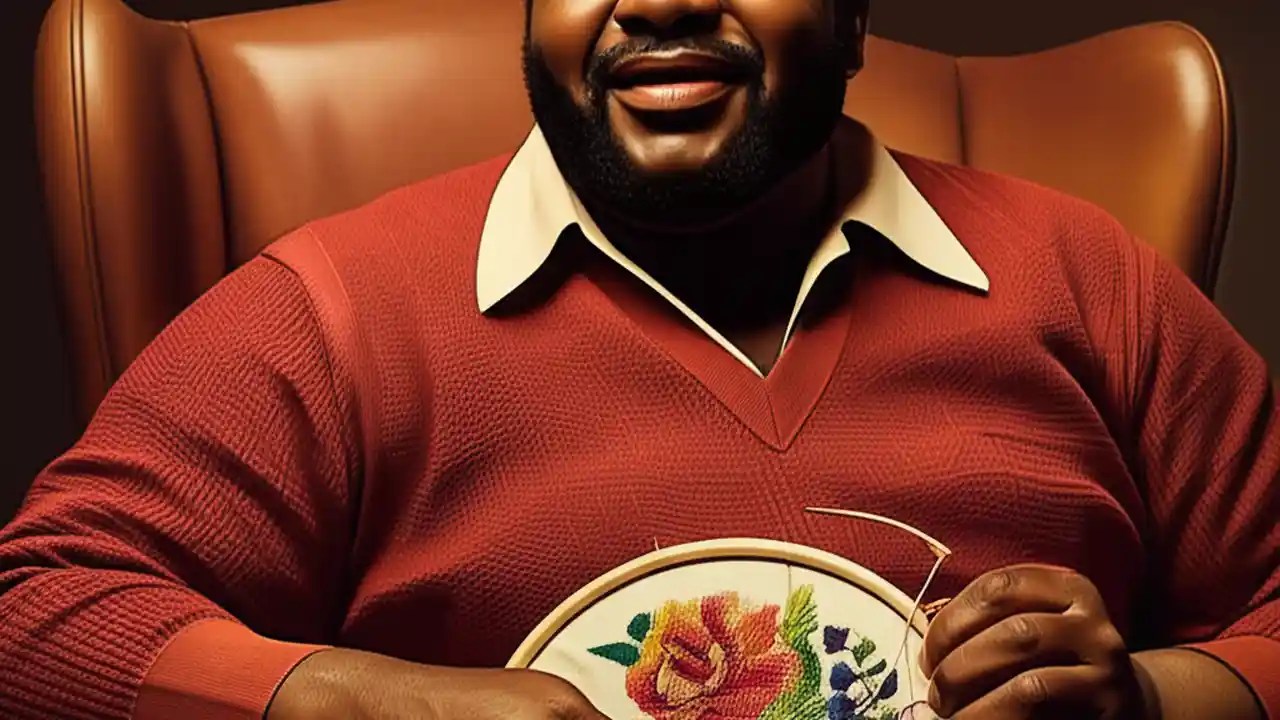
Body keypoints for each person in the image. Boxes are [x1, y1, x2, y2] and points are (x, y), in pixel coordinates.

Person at [1, 0, 1276, 717]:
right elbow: (36, 619)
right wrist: (369, 704)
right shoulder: (330, 314)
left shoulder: (1084, 277)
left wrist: (1149, 705)